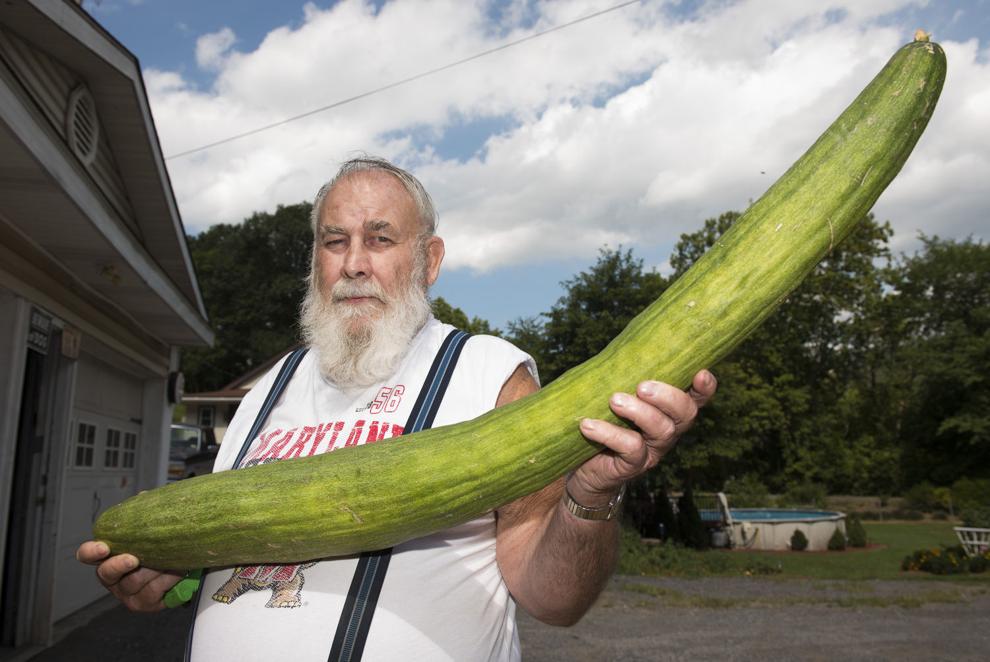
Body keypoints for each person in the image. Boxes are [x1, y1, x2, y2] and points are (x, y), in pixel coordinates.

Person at [77, 157, 716, 660]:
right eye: (335, 241)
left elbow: (555, 599)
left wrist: (593, 493)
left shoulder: (489, 373)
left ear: (428, 260)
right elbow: (217, 551)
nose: (354, 264)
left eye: (380, 239)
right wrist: (167, 580)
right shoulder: (267, 390)